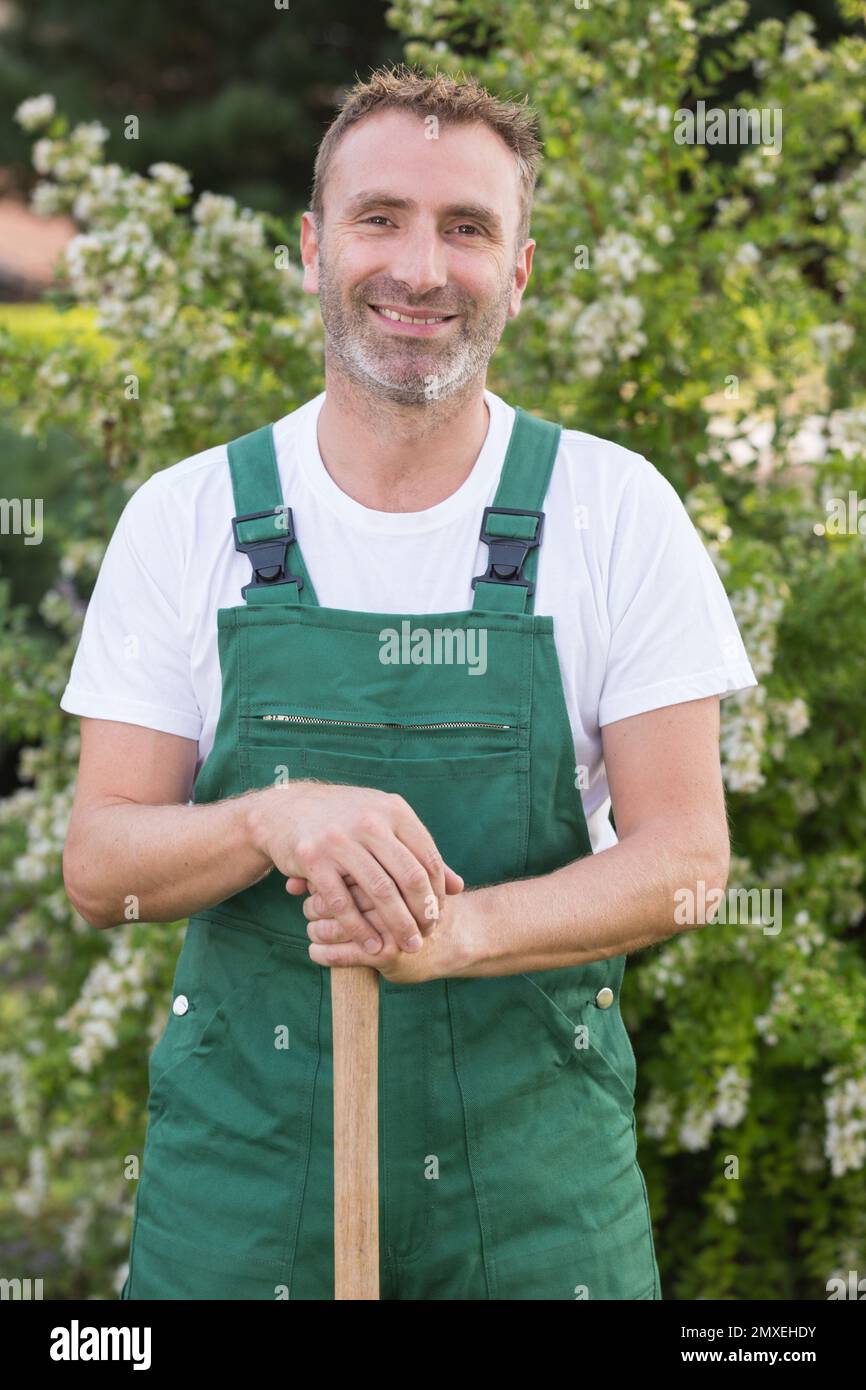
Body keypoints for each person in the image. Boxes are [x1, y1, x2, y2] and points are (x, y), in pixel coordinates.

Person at [60, 65, 758, 1301]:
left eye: (467, 228)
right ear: (311, 246)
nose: (420, 268)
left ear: (522, 270)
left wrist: (456, 931)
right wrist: (270, 814)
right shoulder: (188, 518)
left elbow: (689, 864)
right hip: (238, 1197)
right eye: (380, 217)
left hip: (538, 1203)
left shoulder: (610, 511)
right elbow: (102, 864)